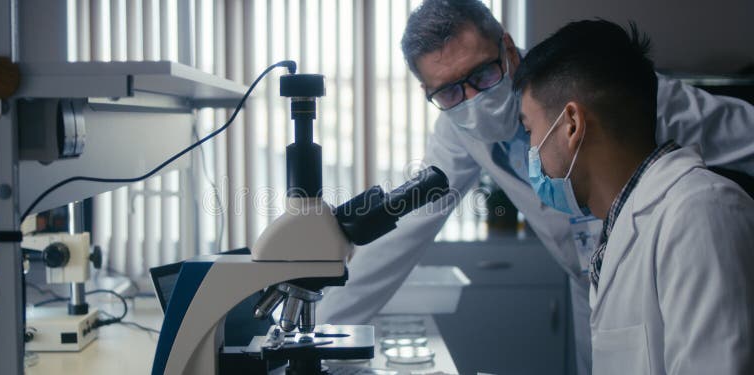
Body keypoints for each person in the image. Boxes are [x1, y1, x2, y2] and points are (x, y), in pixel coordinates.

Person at [316, 1, 754, 373]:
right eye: (448, 92)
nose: (472, 101)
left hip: (663, 266)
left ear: (507, 48)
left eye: (483, 76)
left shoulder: (610, 92)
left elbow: (744, 138)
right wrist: (322, 331)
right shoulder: (459, 131)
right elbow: (407, 227)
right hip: (592, 282)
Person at [513, 19, 754, 374]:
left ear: (572, 125)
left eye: (530, 130)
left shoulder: (701, 213)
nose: (530, 151)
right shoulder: (620, 225)